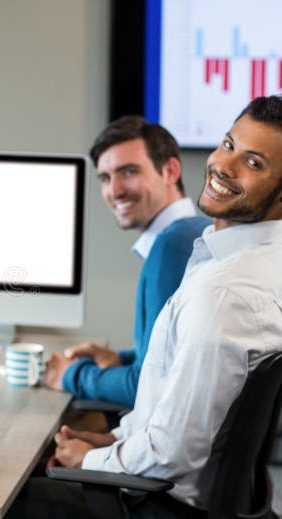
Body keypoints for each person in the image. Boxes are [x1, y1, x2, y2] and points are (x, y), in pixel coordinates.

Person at [47, 95, 282, 519]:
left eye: (253, 163)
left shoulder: (223, 294)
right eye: (228, 144)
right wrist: (115, 440)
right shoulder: (256, 262)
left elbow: (172, 452)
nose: (224, 166)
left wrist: (92, 457)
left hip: (162, 514)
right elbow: (179, 398)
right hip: (200, 504)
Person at [42, 116, 208, 406]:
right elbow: (176, 354)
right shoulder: (194, 231)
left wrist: (71, 375)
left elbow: (147, 386)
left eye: (129, 172)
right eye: (105, 178)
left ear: (170, 171)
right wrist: (120, 357)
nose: (114, 191)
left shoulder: (172, 246)